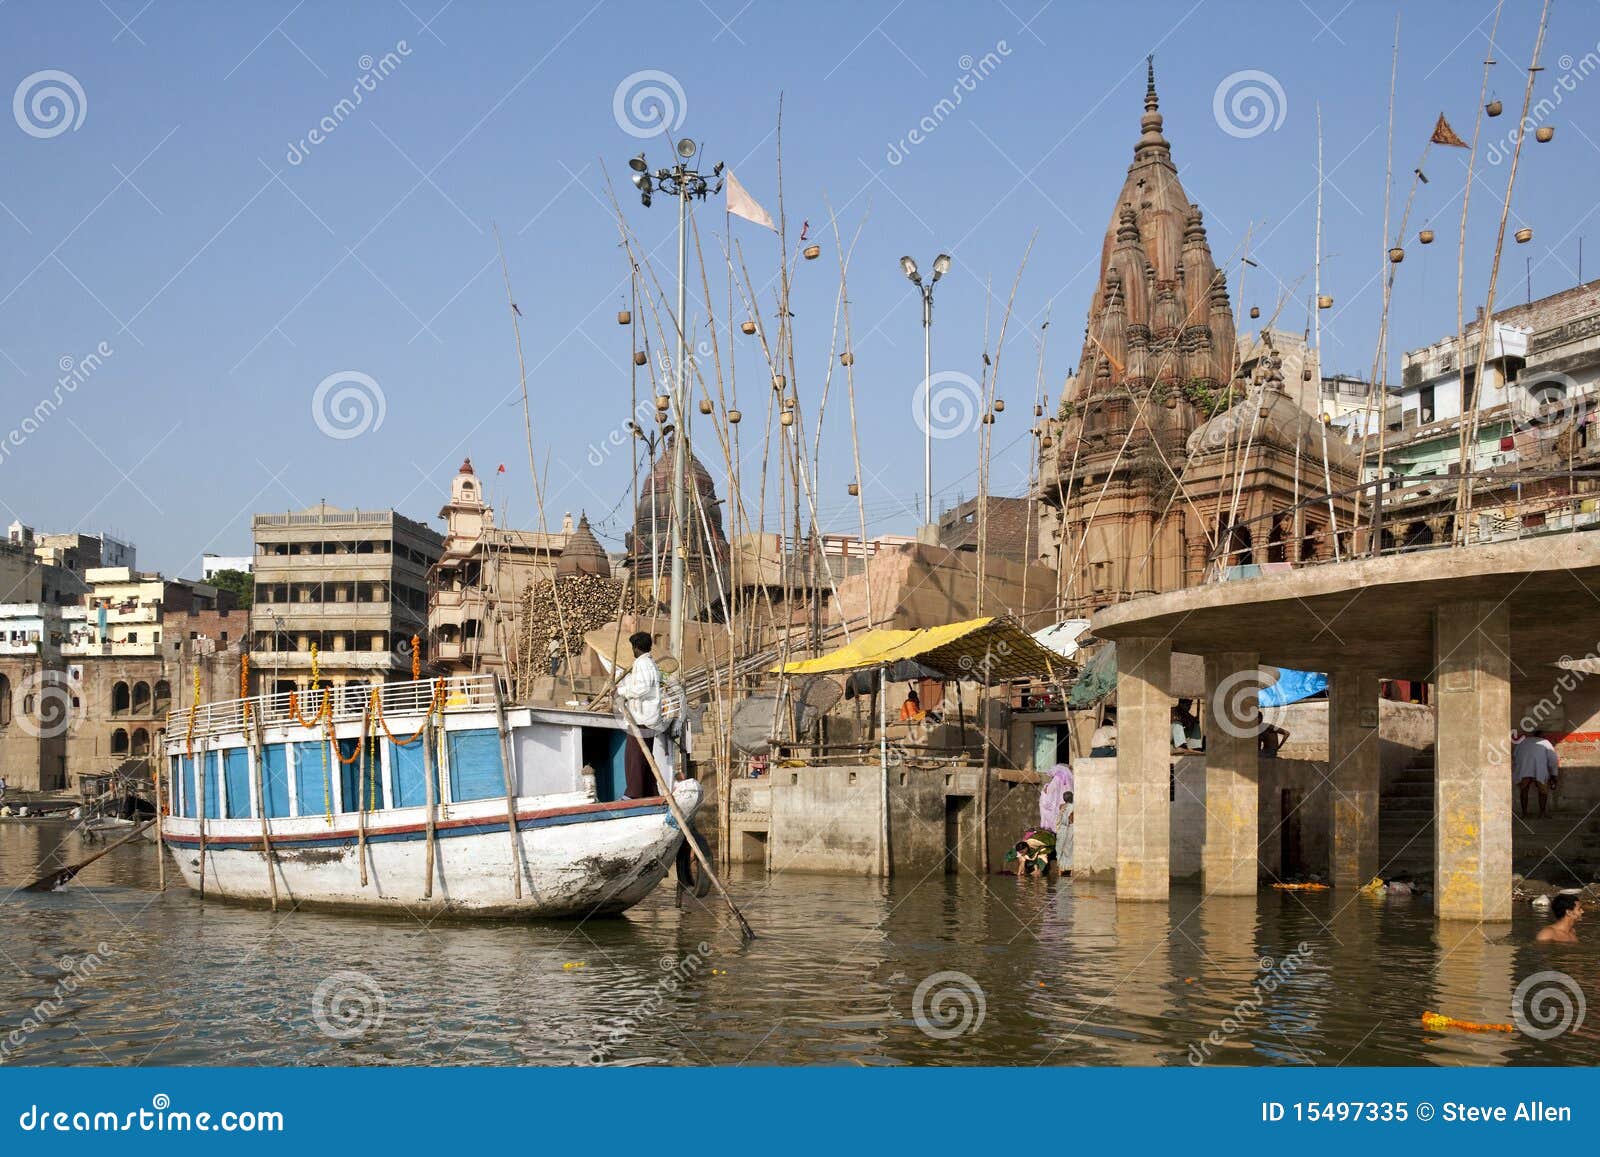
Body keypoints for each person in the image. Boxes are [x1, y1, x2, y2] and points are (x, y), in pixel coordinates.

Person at [615, 631, 662, 799]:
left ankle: (634, 793)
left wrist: (622, 691)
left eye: (632, 647)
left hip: (642, 718)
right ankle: (651, 792)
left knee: (633, 756)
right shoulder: (650, 663)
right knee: (645, 756)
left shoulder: (642, 663)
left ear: (636, 647)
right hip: (648, 716)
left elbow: (642, 688)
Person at [1513, 729, 1559, 819]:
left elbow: (1515, 755)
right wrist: (1554, 774)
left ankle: (1524, 814)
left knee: (1524, 790)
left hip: (1524, 769)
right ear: (1542, 736)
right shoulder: (1545, 742)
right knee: (1543, 791)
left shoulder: (1523, 742)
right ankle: (1542, 813)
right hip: (1539, 769)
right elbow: (1553, 759)